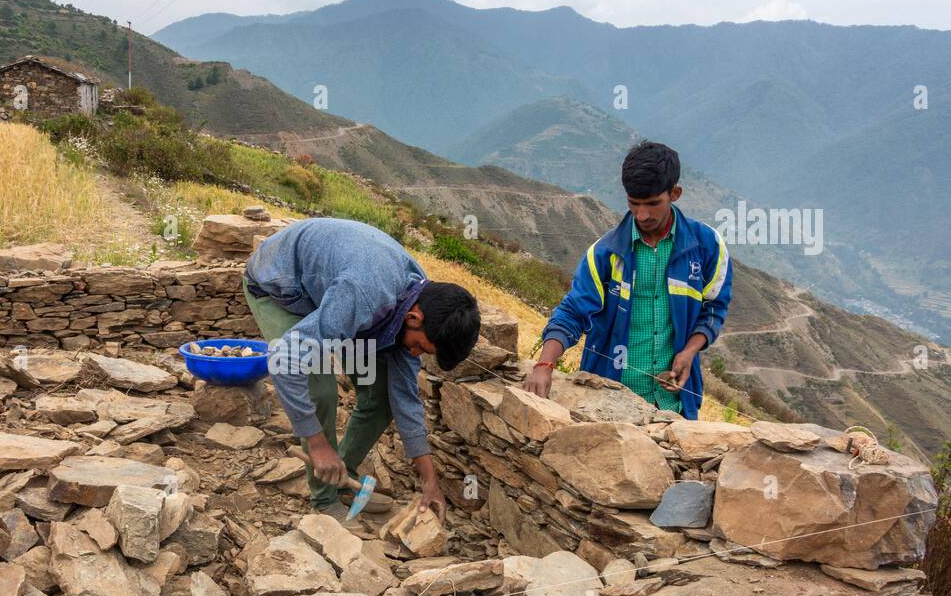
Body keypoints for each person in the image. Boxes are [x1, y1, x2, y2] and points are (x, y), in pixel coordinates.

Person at [243, 217, 480, 521]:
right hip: (278, 288)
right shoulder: (365, 294)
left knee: (380, 395)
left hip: (332, 298)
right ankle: (324, 501)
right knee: (320, 388)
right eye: (420, 347)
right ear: (414, 318)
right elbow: (284, 360)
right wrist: (317, 445)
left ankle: (342, 478)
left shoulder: (418, 302)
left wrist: (429, 482)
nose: (415, 353)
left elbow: (406, 400)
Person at [525, 141, 731, 417]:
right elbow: (573, 312)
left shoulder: (707, 246)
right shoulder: (605, 253)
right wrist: (544, 364)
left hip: (675, 404)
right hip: (609, 401)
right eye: (634, 204)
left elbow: (714, 308)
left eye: (652, 204)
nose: (642, 215)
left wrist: (690, 351)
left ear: (675, 193)